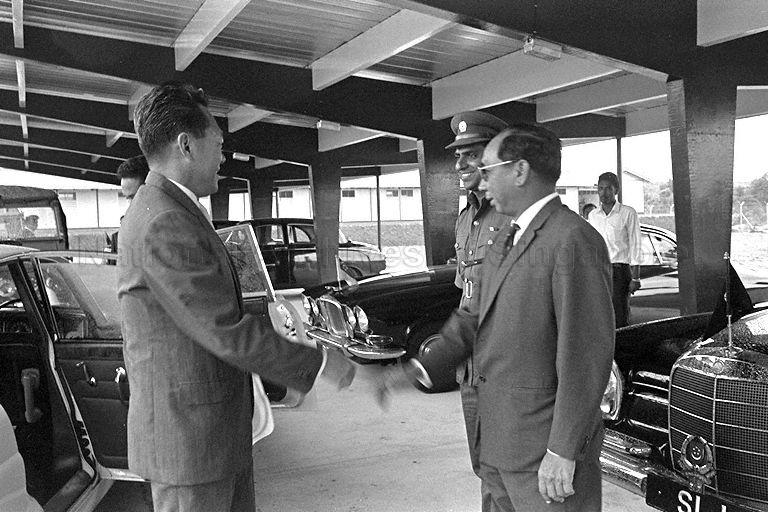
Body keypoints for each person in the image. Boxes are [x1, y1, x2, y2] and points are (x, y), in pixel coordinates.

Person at [118, 81, 355, 512]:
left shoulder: (172, 210)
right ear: (186, 145)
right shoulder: (164, 221)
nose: (224, 157)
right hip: (192, 446)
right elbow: (224, 329)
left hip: (210, 438)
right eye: (219, 144)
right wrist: (319, 364)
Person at [410, 124, 614, 511]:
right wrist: (421, 366)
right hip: (497, 440)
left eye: (489, 170)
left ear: (520, 172)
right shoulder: (506, 238)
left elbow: (585, 356)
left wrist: (563, 449)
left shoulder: (573, 239)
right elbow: (473, 316)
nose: (480, 181)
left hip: (542, 451)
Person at [445, 111, 510, 500]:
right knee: (483, 466)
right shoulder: (465, 219)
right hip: (472, 369)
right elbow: (464, 293)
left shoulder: (512, 217)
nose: (460, 164)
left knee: (506, 473)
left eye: (469, 154)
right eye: (458, 156)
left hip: (504, 367)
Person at [587, 172, 642, 327]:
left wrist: (636, 277)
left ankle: (622, 350)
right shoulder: (593, 216)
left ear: (616, 190)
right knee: (600, 316)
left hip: (619, 271)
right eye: (601, 188)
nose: (604, 193)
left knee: (619, 317)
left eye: (609, 188)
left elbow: (635, 243)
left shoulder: (627, 213)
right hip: (598, 271)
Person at [110, 155, 150, 253]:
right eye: (128, 198)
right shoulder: (119, 237)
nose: (130, 205)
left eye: (134, 197)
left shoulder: (170, 231)